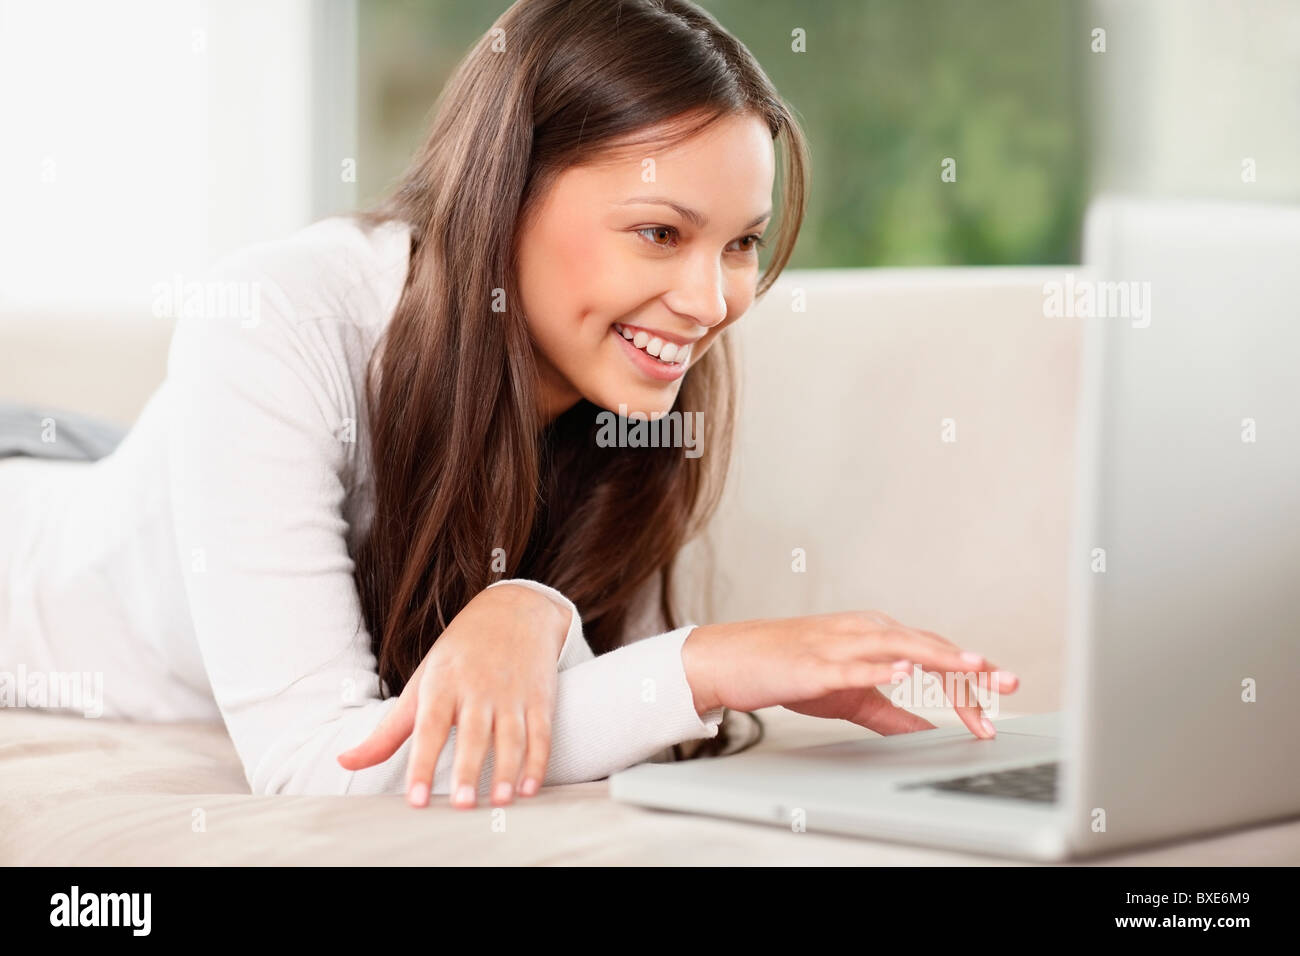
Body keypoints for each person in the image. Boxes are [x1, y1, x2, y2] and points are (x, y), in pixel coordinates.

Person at [0, 0, 1016, 811]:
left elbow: (558, 714)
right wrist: (710, 659)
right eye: (661, 232)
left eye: (740, 243)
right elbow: (325, 764)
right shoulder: (276, 314)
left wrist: (533, 611)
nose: (713, 301)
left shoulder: (632, 363)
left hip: (124, 475)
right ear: (506, 191)